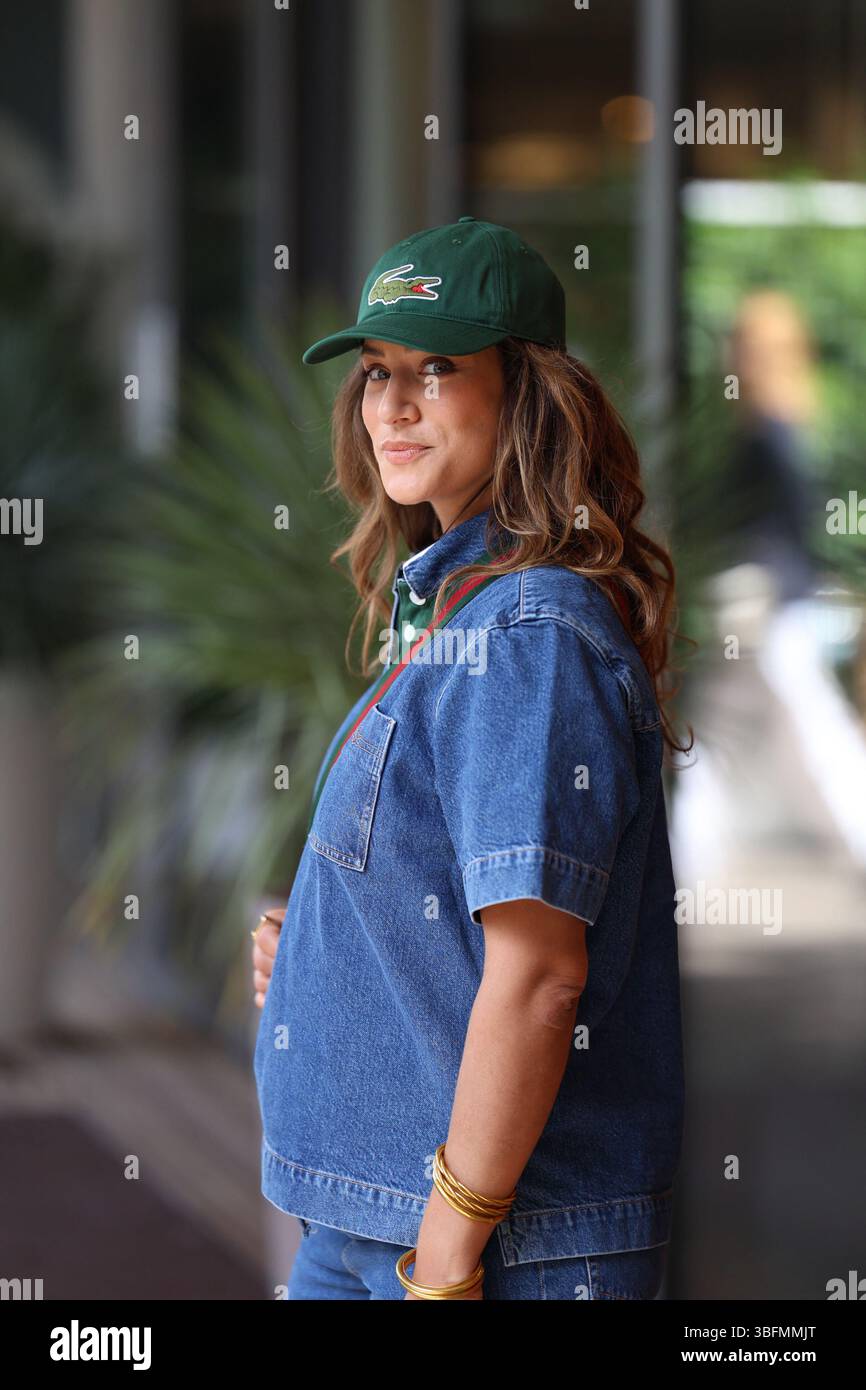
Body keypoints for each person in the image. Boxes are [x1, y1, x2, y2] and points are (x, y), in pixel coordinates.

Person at [251, 216, 689, 1301]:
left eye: (435, 370)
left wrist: (445, 1257)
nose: (391, 405)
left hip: (482, 1248)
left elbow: (540, 975)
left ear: (526, 394)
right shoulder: (461, 609)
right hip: (378, 1224)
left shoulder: (524, 635)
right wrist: (326, 942)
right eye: (376, 374)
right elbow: (460, 911)